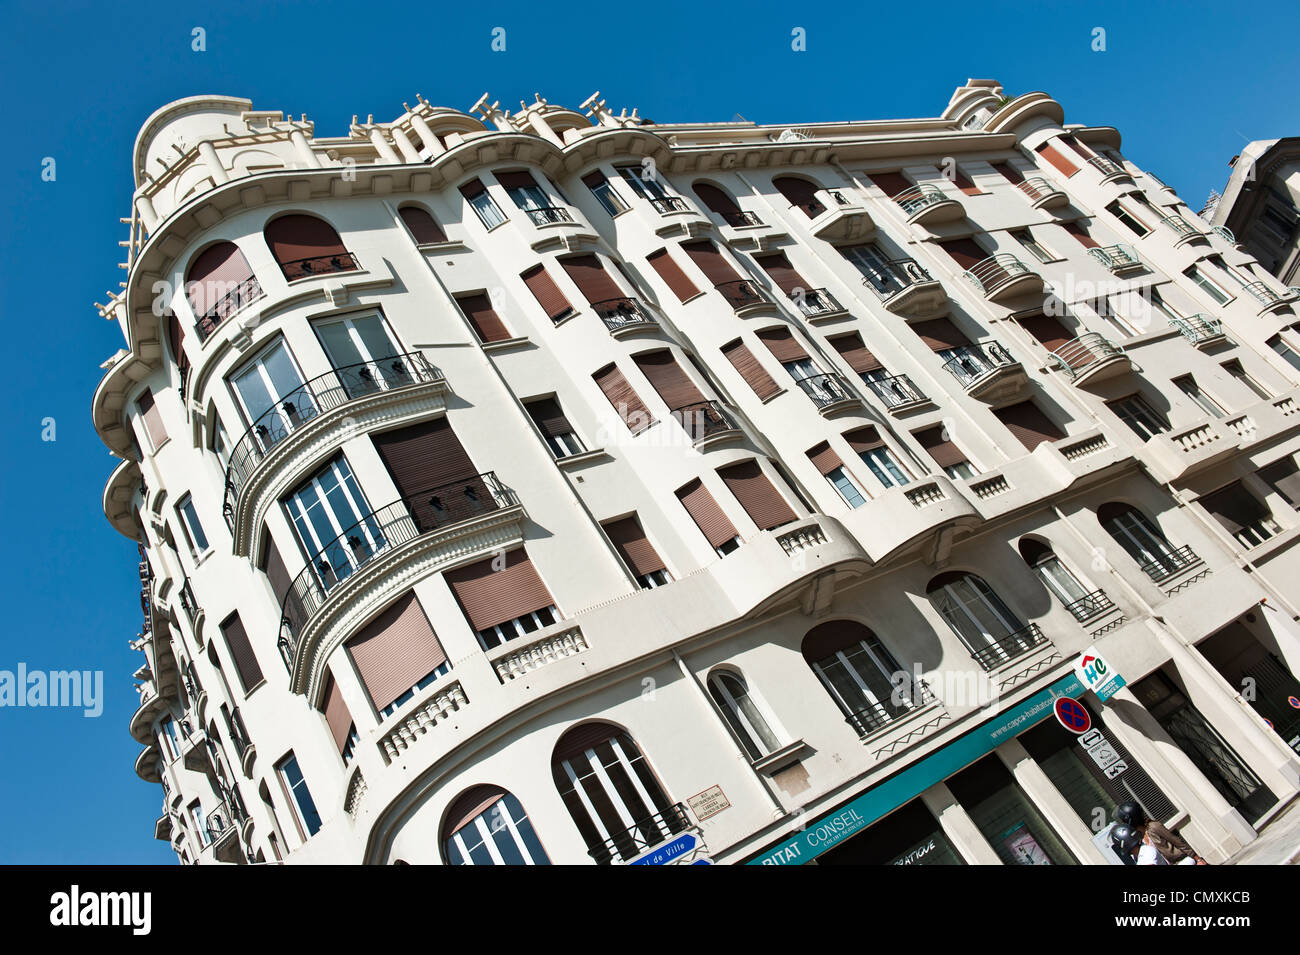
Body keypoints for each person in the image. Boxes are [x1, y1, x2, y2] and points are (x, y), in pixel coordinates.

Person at [1114, 802, 1207, 865]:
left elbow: (1177, 842)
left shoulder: (1153, 827)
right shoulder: (1135, 838)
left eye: (1123, 821)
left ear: (1129, 820)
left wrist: (1198, 859)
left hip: (1180, 862)